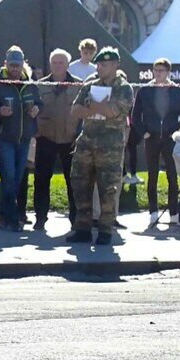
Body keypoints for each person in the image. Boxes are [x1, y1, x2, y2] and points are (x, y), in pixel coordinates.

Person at [65, 48, 134, 245]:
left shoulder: (124, 88)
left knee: (108, 189)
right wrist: (96, 107)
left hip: (110, 147)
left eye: (104, 64)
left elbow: (113, 111)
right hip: (86, 143)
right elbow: (75, 110)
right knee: (80, 185)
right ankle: (83, 228)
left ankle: (105, 229)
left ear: (115, 65)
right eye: (98, 64)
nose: (99, 67)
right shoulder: (90, 85)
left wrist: (92, 107)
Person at [134, 59, 180, 225]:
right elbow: (135, 115)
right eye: (156, 70)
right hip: (151, 137)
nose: (158, 73)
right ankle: (153, 211)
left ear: (168, 72)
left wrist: (175, 131)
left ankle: (173, 212)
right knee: (152, 175)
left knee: (172, 176)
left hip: (170, 138)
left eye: (162, 70)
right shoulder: (145, 90)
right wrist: (143, 132)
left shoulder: (177, 91)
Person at [0, 48, 39, 232]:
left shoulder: (30, 83)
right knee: (8, 176)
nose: (15, 69)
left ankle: (5, 217)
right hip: (4, 138)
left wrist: (36, 110)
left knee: (17, 179)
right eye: (11, 65)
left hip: (24, 138)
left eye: (18, 65)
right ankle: (12, 218)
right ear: (5, 64)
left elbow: (39, 102)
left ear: (23, 64)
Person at [30, 50, 79, 231]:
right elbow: (31, 109)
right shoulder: (39, 85)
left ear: (67, 64)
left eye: (61, 62)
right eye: (55, 62)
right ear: (50, 65)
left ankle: (76, 218)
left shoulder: (79, 85)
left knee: (73, 180)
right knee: (41, 179)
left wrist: (79, 135)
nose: (58, 65)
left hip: (71, 139)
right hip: (46, 137)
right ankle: (40, 217)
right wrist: (35, 130)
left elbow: (83, 113)